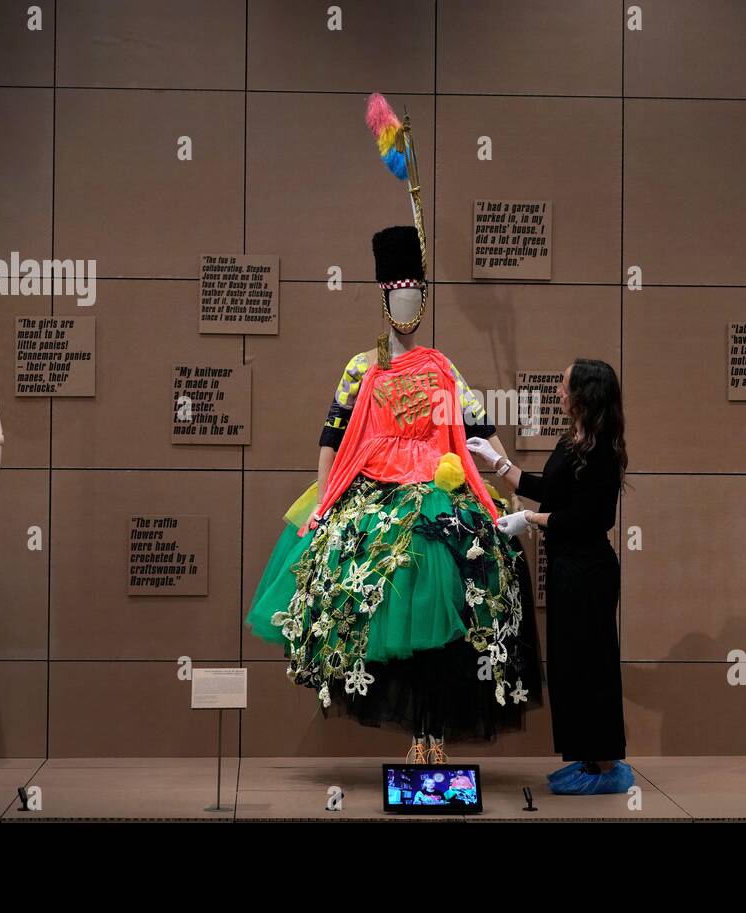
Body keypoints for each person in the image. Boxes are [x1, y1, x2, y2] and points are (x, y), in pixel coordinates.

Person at [245, 226, 541, 763]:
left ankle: (435, 730)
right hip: (374, 484)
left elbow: (477, 427)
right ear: (385, 299)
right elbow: (331, 437)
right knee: (383, 596)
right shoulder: (362, 366)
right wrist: (326, 499)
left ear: (422, 301)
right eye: (397, 295)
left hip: (437, 487)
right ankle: (417, 729)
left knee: (456, 592)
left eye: (414, 295)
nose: (405, 305)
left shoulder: (442, 366)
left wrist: (509, 482)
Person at [468, 358, 633, 795]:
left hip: (589, 571)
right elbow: (548, 490)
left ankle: (607, 766)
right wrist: (497, 463)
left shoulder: (602, 450)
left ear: (584, 394)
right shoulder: (572, 441)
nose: (558, 394)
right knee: (569, 666)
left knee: (592, 666)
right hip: (564, 568)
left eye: (563, 387)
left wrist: (531, 519)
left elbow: (587, 518)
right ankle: (587, 759)